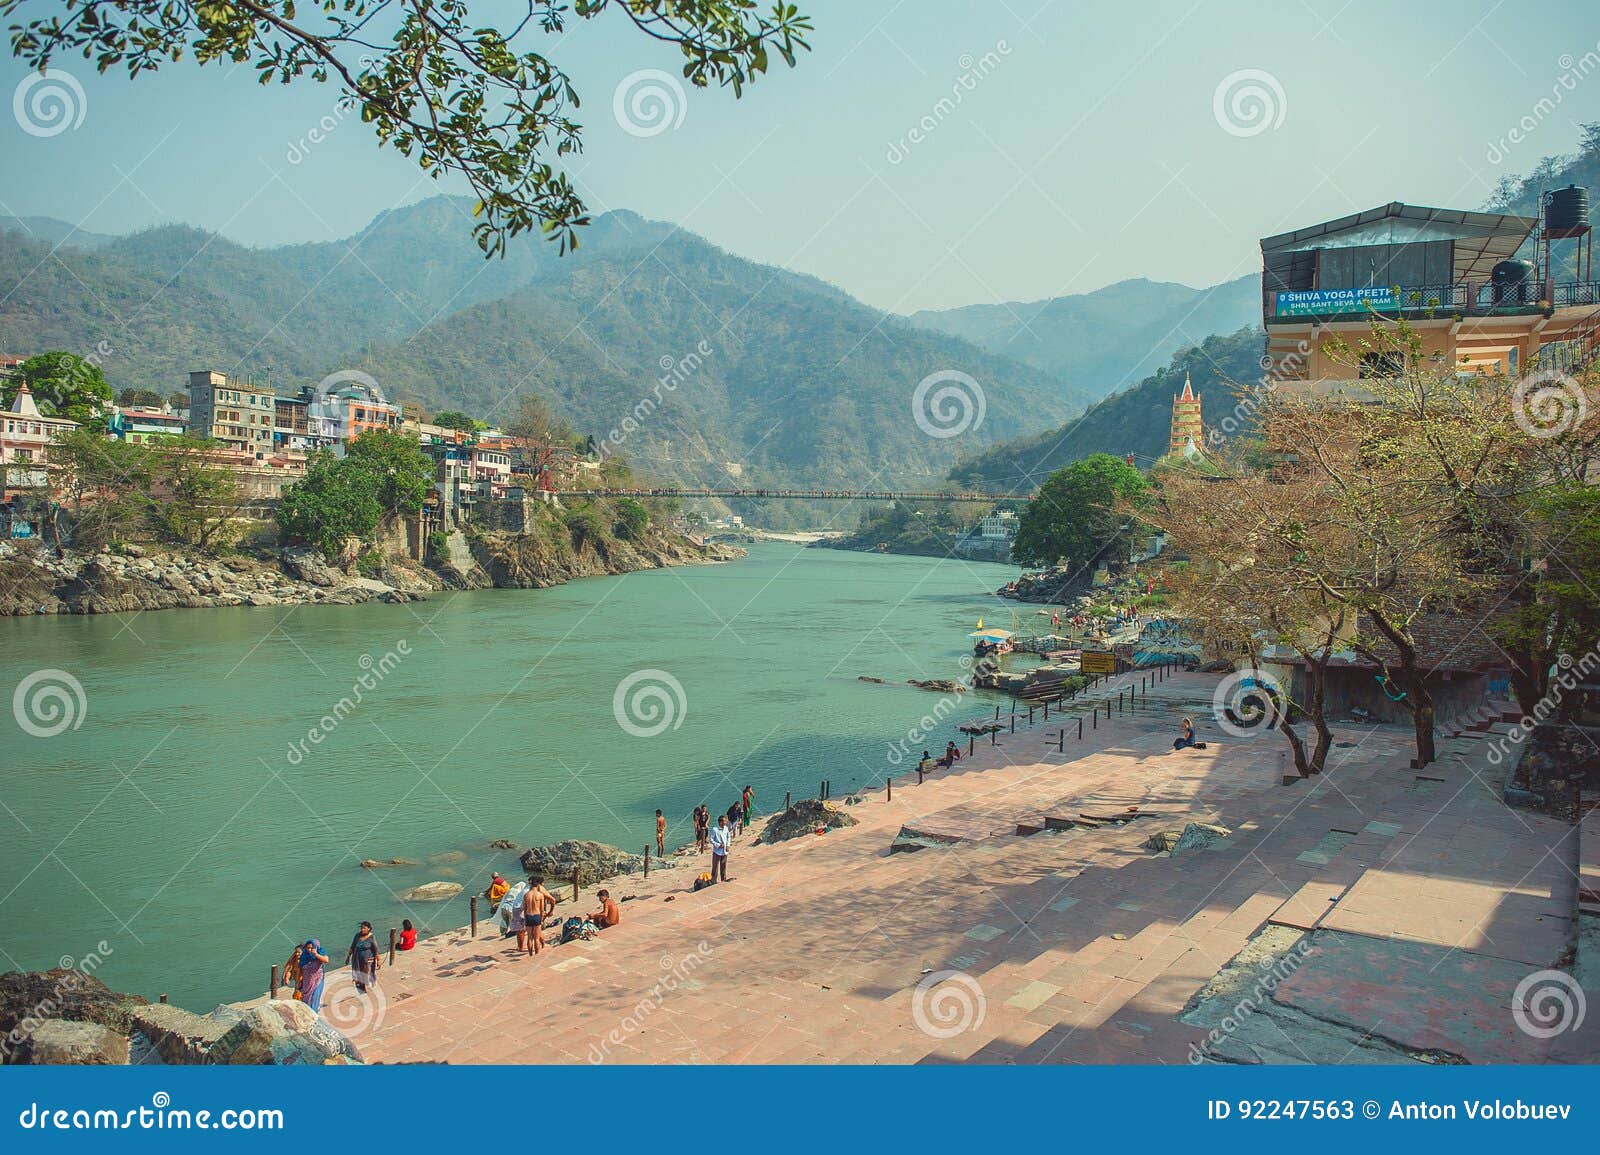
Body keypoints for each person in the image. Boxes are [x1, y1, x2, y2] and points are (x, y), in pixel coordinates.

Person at [523, 875, 556, 956]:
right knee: (536, 938)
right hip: (536, 915)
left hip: (528, 916)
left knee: (530, 938)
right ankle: (537, 955)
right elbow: (541, 909)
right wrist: (541, 919)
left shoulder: (526, 895)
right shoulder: (540, 895)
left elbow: (525, 909)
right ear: (537, 885)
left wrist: (525, 919)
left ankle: (530, 954)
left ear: (531, 885)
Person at [346, 922, 381, 993]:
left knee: (366, 972)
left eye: (364, 928)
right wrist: (348, 957)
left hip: (368, 959)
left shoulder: (371, 937)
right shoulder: (357, 935)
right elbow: (352, 946)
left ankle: (367, 985)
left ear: (369, 929)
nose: (362, 929)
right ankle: (362, 986)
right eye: (361, 928)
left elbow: (376, 950)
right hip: (357, 958)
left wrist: (378, 960)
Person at [297, 939, 328, 1012]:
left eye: (312, 947)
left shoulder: (320, 953)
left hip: (317, 982)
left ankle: (313, 1016)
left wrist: (316, 954)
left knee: (314, 999)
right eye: (308, 948)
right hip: (307, 983)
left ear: (316, 947)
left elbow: (326, 960)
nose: (309, 949)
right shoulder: (304, 956)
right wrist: (298, 981)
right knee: (306, 1001)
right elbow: (300, 969)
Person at [708, 814, 731, 884]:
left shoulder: (726, 828)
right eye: (724, 821)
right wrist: (718, 845)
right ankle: (713, 881)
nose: (725, 822)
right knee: (715, 867)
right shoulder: (715, 830)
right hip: (717, 851)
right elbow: (711, 840)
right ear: (720, 822)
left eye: (725, 821)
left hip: (724, 851)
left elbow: (728, 837)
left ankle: (723, 879)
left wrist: (728, 845)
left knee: (723, 866)